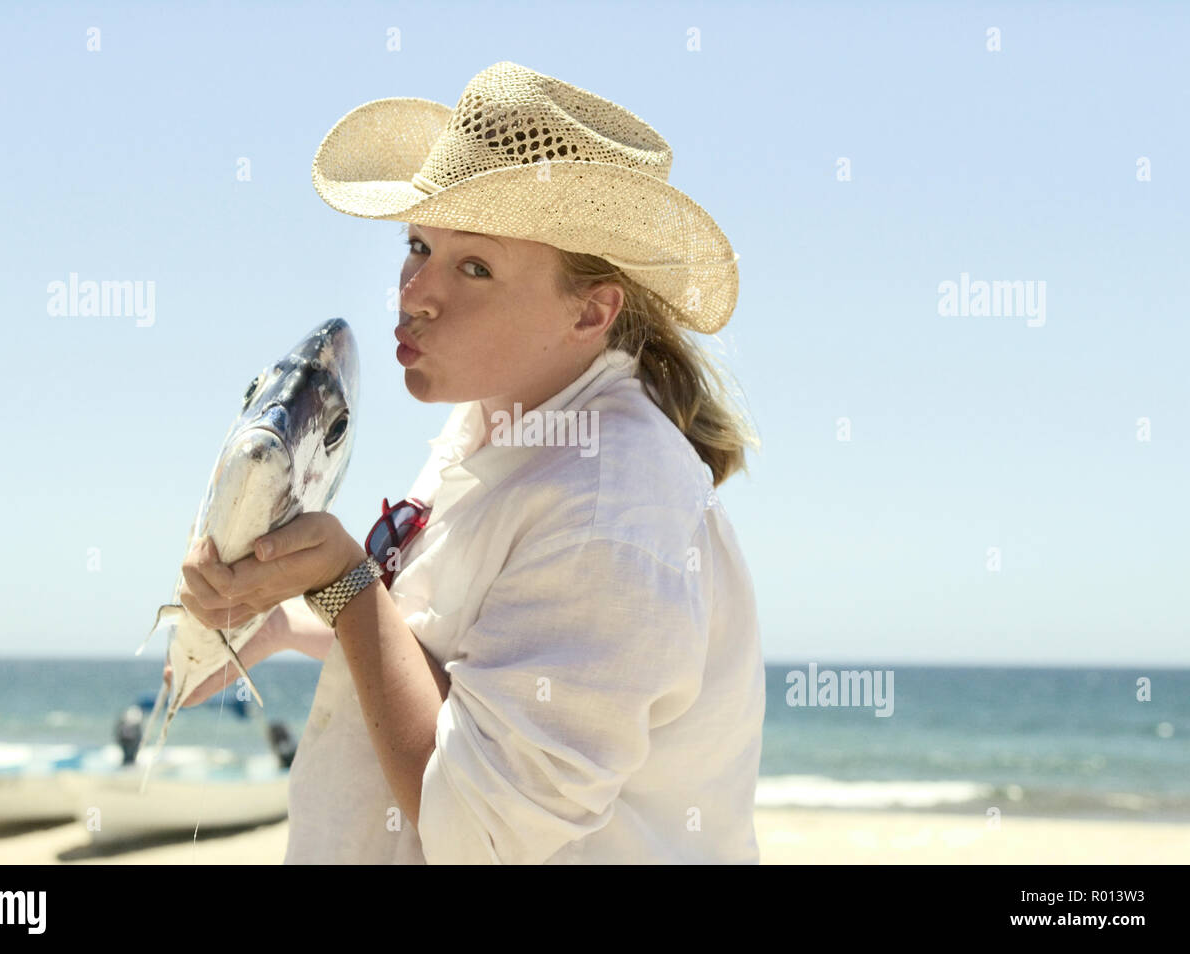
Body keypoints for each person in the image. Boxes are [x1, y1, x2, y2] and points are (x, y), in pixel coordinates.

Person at [172, 61, 765, 864]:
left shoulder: (607, 504)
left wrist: (346, 583)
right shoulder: (499, 417)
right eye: (418, 245)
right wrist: (281, 615)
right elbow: (448, 641)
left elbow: (479, 827)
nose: (414, 292)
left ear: (591, 310)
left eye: (475, 267)